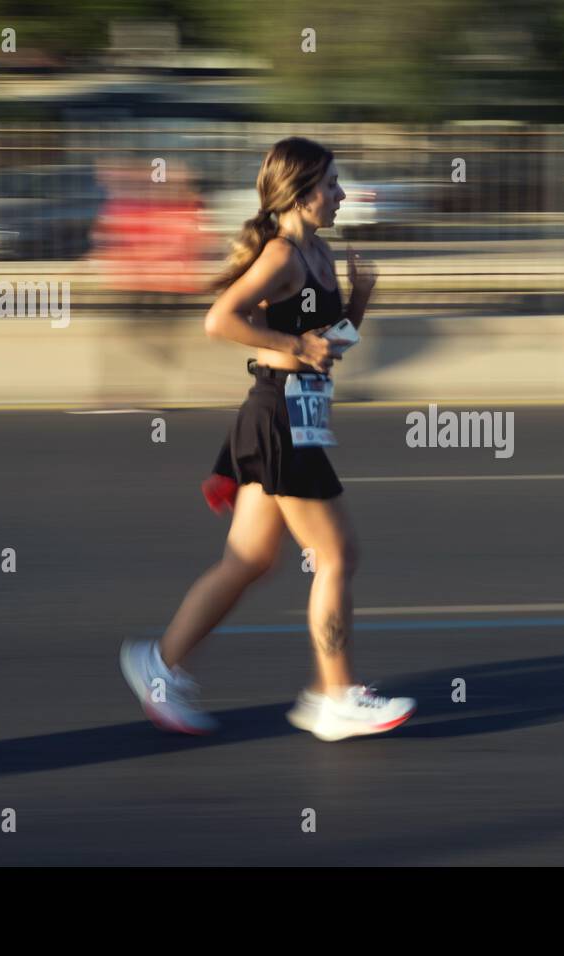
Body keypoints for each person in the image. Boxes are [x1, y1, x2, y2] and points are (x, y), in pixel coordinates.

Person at [120, 137, 415, 742]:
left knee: (249, 560)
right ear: (303, 192)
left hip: (290, 415)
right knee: (336, 555)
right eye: (331, 184)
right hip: (278, 417)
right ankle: (334, 698)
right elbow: (220, 319)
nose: (340, 194)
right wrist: (293, 346)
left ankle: (160, 665)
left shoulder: (319, 254)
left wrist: (355, 304)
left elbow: (326, 345)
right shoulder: (281, 256)